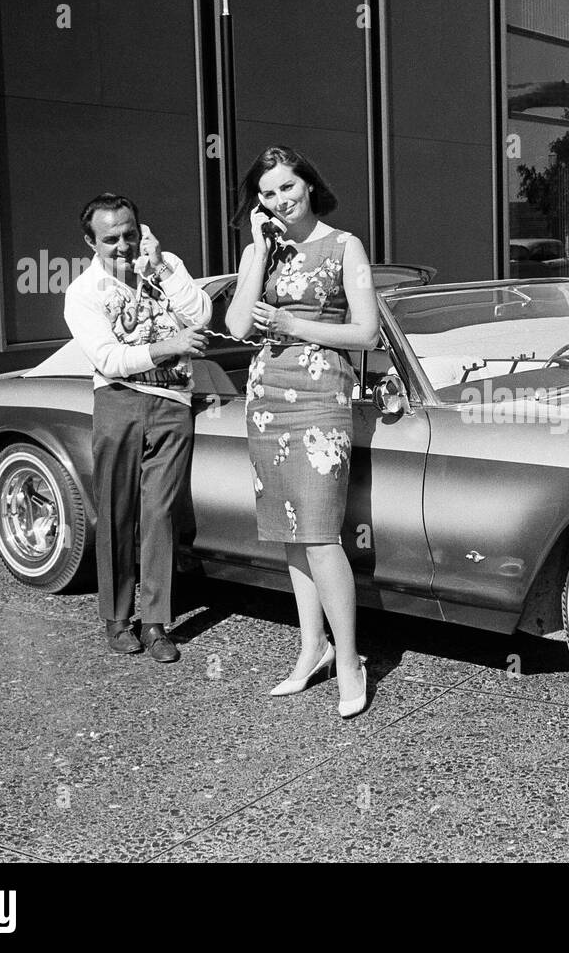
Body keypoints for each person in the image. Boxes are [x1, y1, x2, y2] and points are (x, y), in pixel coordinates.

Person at [224, 147, 378, 716]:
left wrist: (292, 323)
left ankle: (349, 659)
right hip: (266, 399)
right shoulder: (258, 251)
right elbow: (238, 325)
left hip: (320, 397)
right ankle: (311, 648)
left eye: (289, 187)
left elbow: (365, 333)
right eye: (268, 194)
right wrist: (260, 255)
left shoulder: (345, 247)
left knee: (321, 533)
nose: (280, 200)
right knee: (290, 531)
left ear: (309, 186)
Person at [64, 193, 211, 663]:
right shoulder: (83, 293)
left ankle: (155, 623)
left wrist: (161, 265)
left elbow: (203, 314)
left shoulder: (164, 266)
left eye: (130, 233)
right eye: (111, 239)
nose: (123, 245)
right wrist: (171, 345)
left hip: (172, 404)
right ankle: (115, 618)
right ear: (91, 242)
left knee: (160, 514)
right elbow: (109, 359)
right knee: (116, 512)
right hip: (118, 401)